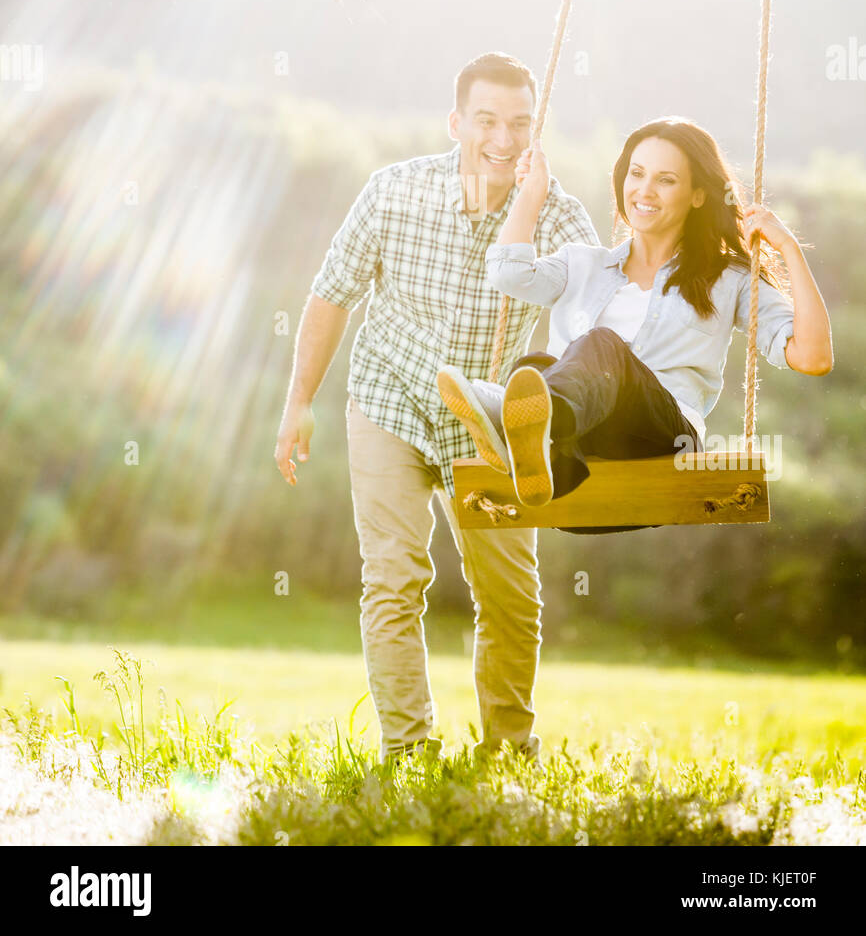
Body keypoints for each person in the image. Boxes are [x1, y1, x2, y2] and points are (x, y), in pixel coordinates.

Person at [274, 52, 599, 761]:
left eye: (520, 123)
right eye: (487, 120)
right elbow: (331, 293)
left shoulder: (560, 218)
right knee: (393, 578)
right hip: (389, 398)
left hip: (486, 423)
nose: (504, 139)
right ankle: (410, 754)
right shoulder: (393, 192)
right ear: (457, 123)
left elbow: (610, 322)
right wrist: (299, 401)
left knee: (511, 595)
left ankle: (509, 754)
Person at [437, 118, 833, 534]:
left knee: (598, 348)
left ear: (698, 195)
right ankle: (542, 454)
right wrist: (532, 194)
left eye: (665, 180)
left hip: (661, 446)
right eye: (637, 174)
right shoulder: (582, 265)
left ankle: (525, 422)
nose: (644, 190)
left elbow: (813, 356)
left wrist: (788, 247)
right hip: (582, 473)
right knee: (535, 366)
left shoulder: (728, 280)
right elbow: (508, 274)